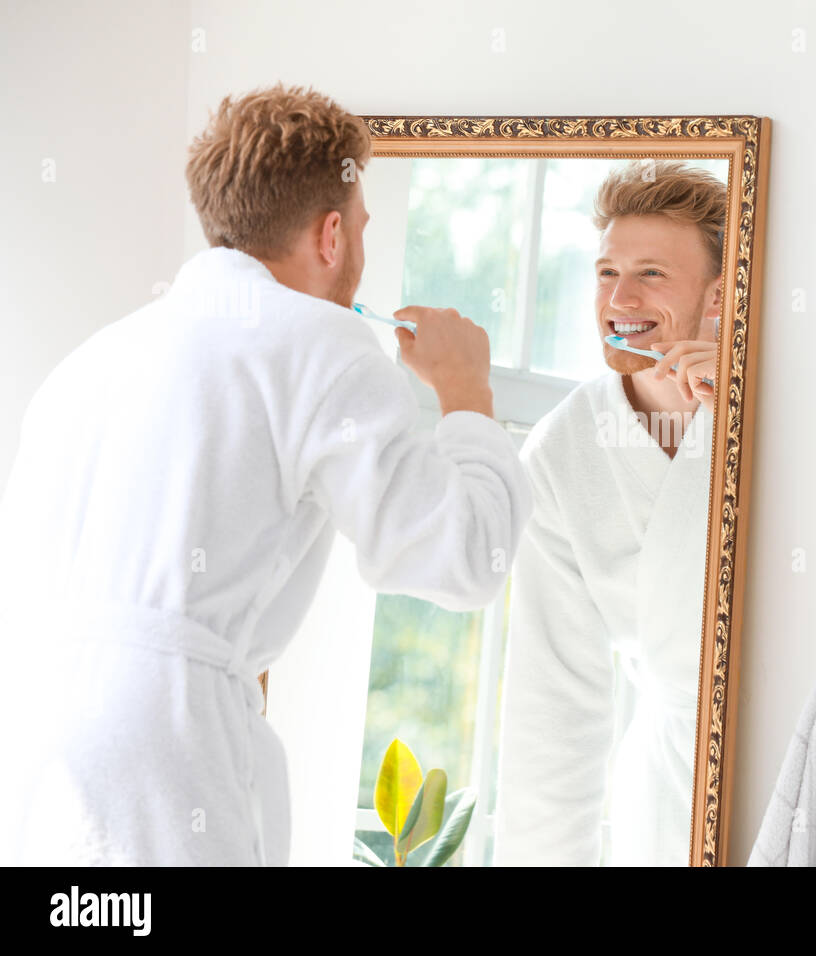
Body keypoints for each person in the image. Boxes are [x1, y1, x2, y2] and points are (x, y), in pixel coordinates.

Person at [0, 84, 531, 866]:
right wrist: (466, 395)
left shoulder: (92, 361)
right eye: (361, 228)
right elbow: (461, 559)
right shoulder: (323, 345)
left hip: (31, 737)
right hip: (165, 750)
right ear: (330, 236)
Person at [492, 160, 725, 866]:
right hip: (660, 806)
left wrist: (736, 407)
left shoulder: (774, 412)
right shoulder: (562, 451)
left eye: (651, 273)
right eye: (604, 272)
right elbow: (551, 703)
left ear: (721, 294)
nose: (618, 298)